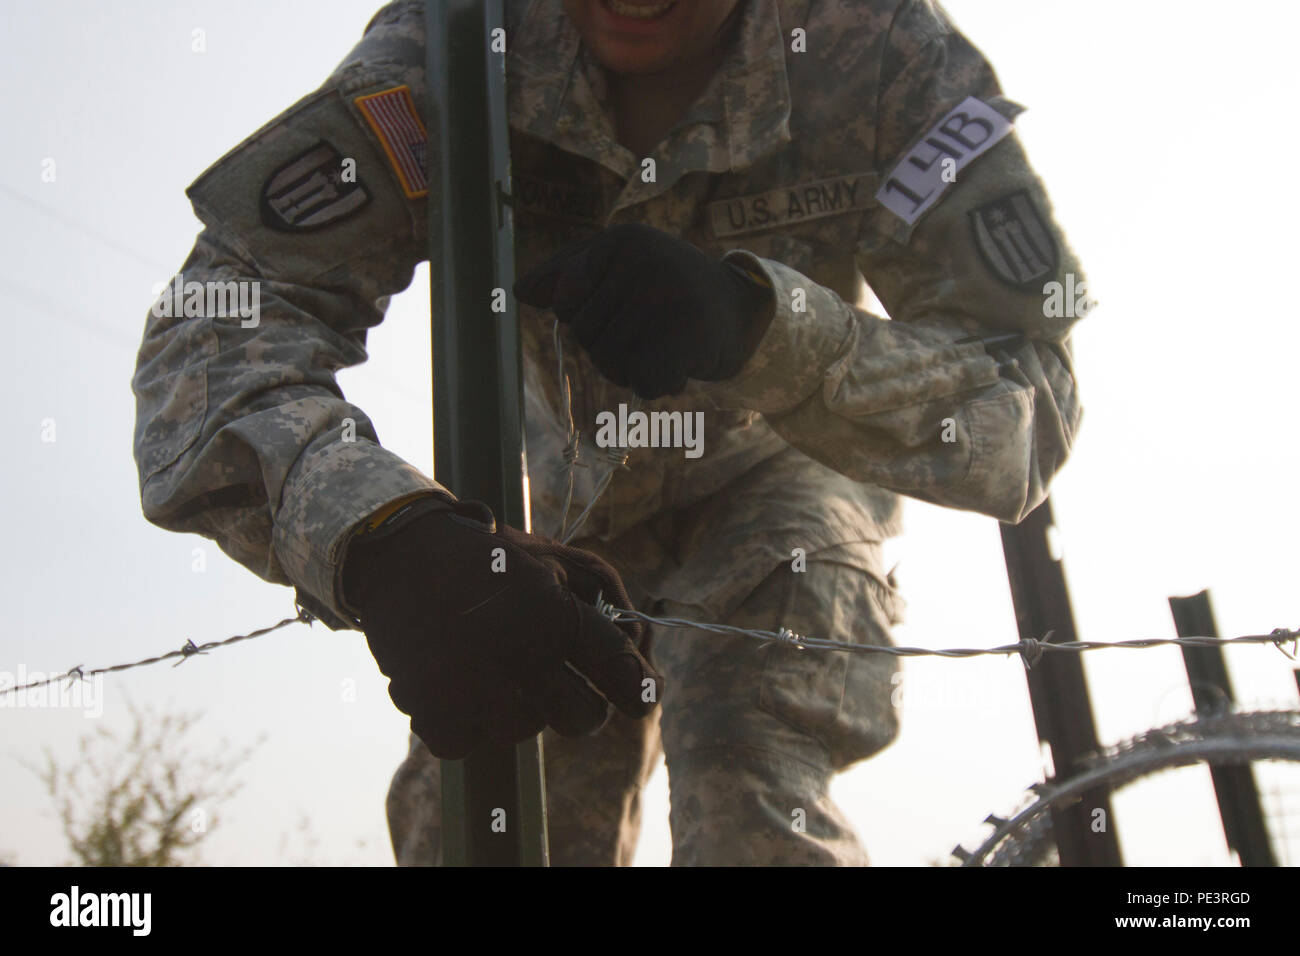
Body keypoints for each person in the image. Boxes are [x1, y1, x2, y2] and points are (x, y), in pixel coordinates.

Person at [132, 0, 1087, 866]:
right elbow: (220, 329)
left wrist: (765, 329)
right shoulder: (453, 43)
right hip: (562, 503)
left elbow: (1028, 399)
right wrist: (382, 537)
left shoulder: (882, 53)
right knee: (475, 816)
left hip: (782, 487)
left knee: (749, 795)